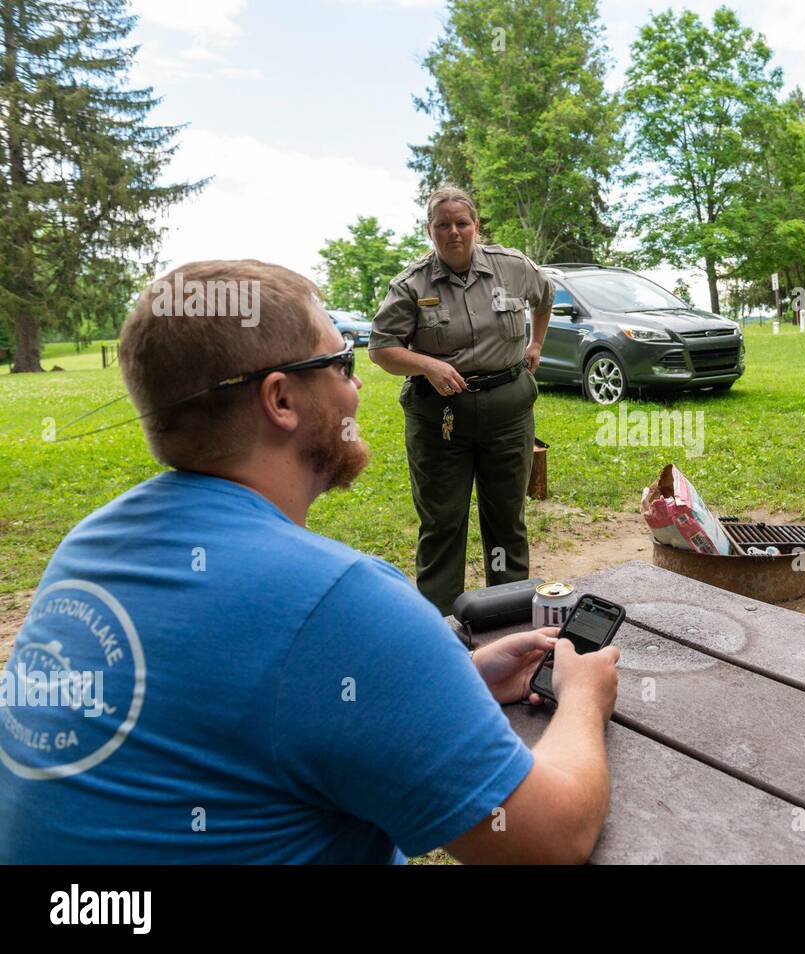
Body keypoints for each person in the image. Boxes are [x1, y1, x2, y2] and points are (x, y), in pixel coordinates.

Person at [0, 260, 617, 864]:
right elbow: (550, 840)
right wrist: (583, 692)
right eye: (341, 362)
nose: (356, 385)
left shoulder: (88, 545)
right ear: (282, 400)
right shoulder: (341, 601)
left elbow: (233, 717)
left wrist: (454, 682)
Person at [368, 186, 554, 614]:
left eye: (462, 223)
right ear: (429, 230)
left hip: (507, 412)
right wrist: (427, 366)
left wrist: (535, 343)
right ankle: (441, 626)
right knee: (442, 523)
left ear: (476, 226)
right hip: (440, 420)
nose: (454, 232)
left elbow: (544, 298)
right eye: (443, 225)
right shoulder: (411, 284)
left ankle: (508, 617)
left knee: (506, 520)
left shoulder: (512, 267)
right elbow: (381, 349)